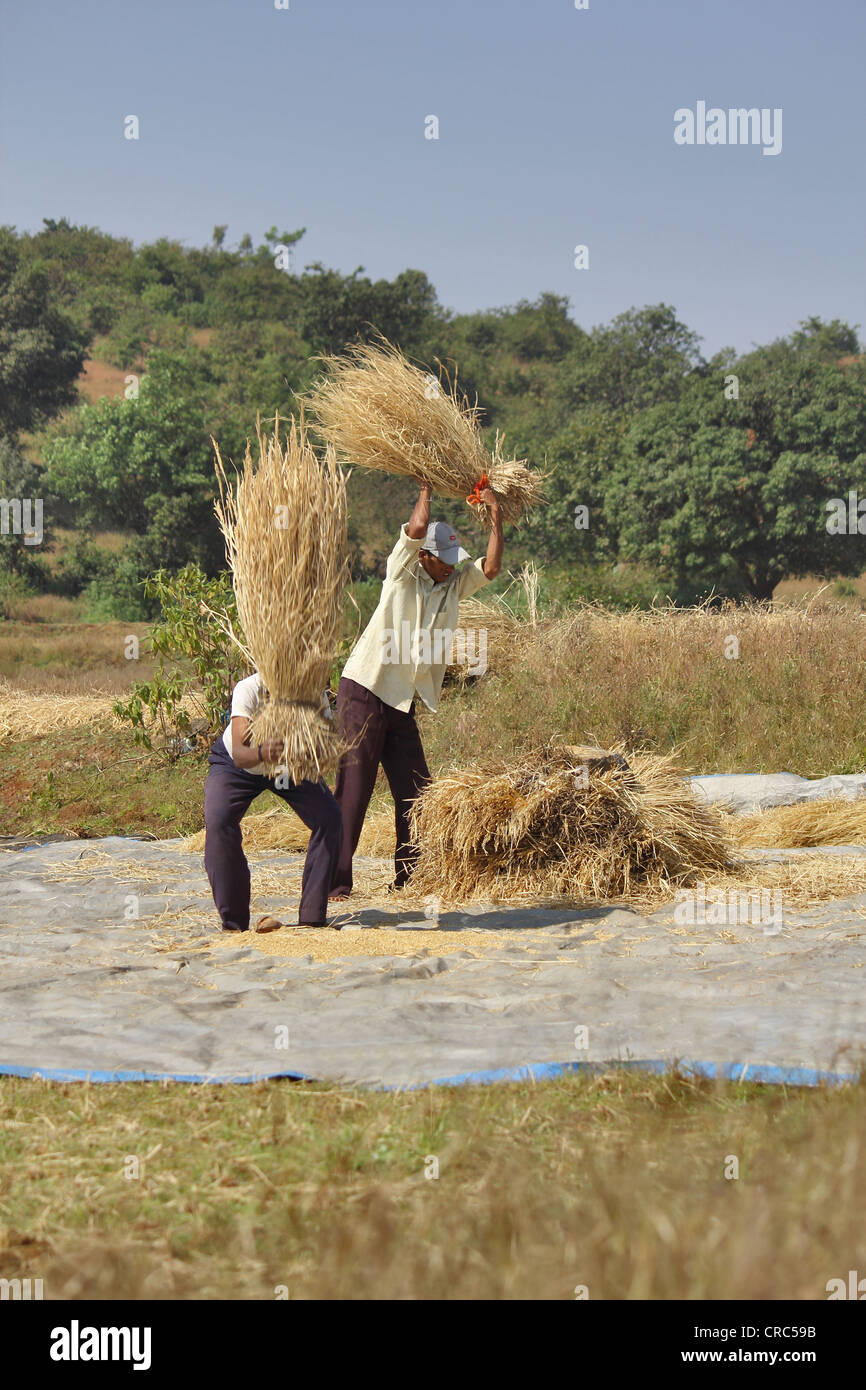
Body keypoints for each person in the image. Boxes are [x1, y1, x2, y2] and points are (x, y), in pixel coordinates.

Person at [330, 479, 504, 898]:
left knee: (417, 792)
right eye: (441, 560)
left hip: (402, 702)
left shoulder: (452, 586)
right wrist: (427, 484)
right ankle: (334, 883)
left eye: (452, 561)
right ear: (423, 554)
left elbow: (492, 568)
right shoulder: (401, 569)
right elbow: (415, 526)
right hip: (366, 689)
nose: (449, 567)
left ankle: (410, 880)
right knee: (354, 790)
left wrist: (496, 515)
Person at [204, 672, 343, 930]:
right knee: (219, 820)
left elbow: (323, 749)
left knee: (329, 818)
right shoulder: (250, 688)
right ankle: (234, 924)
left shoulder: (313, 694)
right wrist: (262, 752)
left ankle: (312, 920)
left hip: (287, 768)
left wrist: (312, 749)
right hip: (239, 766)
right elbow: (240, 755)